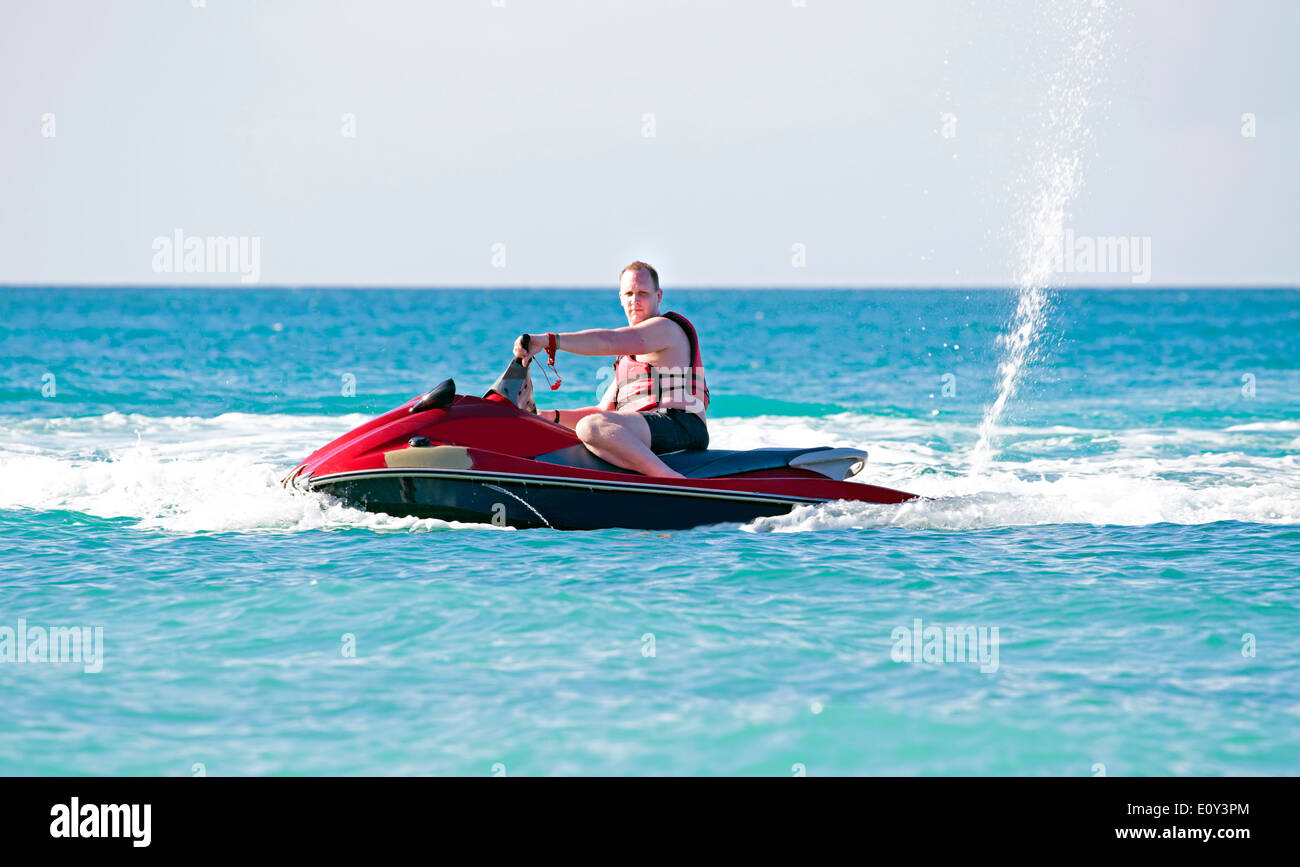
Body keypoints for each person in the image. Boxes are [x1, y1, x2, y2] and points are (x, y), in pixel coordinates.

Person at [513, 261, 709, 478]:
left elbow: (609, 340)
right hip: (644, 431)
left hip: (681, 427)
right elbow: (603, 411)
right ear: (621, 298)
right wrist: (550, 417)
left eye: (643, 293)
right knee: (580, 433)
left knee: (590, 427)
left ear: (659, 296)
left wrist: (548, 340)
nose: (635, 300)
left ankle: (671, 481)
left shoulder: (667, 328)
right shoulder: (626, 357)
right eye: (629, 293)